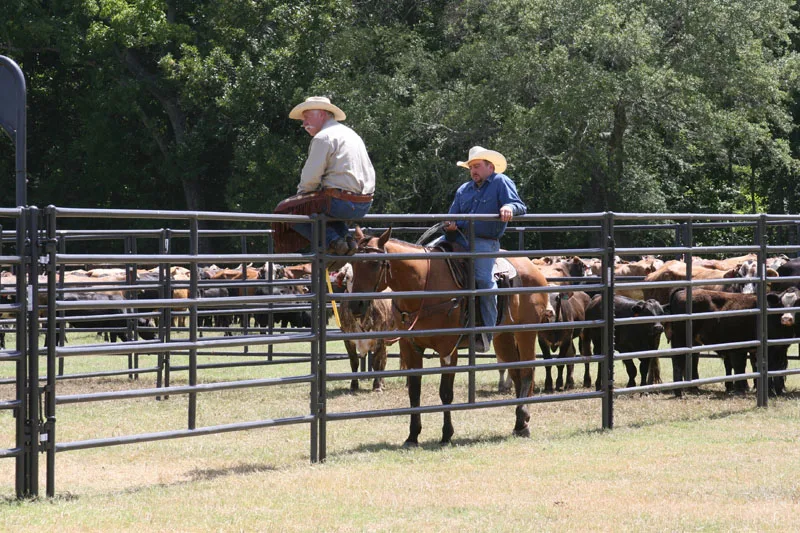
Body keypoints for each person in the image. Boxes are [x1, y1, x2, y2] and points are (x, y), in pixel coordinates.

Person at [443, 146, 527, 352]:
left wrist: (509, 208)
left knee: (484, 281)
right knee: (427, 259)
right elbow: (452, 215)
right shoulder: (464, 189)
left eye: (477, 166)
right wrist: (449, 223)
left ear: (490, 167)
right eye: (471, 167)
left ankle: (486, 333)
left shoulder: (500, 182)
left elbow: (519, 205)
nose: (473, 171)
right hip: (457, 238)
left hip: (484, 240)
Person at [274, 96, 375, 255]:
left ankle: (332, 242)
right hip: (363, 204)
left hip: (340, 202)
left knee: (284, 211)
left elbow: (310, 179)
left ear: (321, 114)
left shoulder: (323, 137)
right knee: (321, 206)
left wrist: (300, 200)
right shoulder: (351, 134)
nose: (304, 123)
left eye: (306, 117)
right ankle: (346, 241)